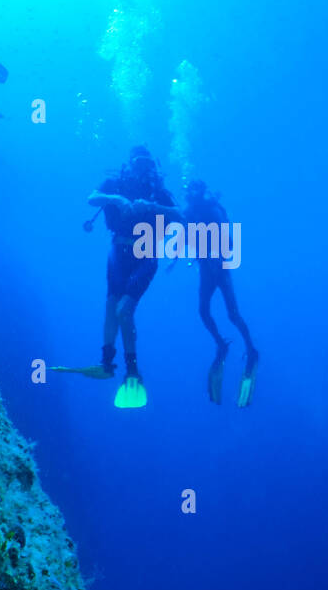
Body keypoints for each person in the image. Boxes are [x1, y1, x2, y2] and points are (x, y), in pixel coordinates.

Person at [53, 146, 178, 408]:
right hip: (117, 251)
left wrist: (152, 205)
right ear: (129, 164)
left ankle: (132, 371)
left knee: (124, 310)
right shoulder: (114, 184)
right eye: (138, 163)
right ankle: (106, 363)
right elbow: (91, 198)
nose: (142, 169)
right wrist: (117, 199)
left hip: (146, 252)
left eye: (147, 163)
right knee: (111, 306)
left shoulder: (158, 191)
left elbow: (180, 216)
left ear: (152, 166)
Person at [183, 179, 259, 406]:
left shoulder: (212, 209)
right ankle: (221, 344)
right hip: (206, 268)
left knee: (233, 314)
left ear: (201, 191)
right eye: (189, 190)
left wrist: (217, 259)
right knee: (203, 312)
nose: (190, 194)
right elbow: (184, 234)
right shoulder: (189, 211)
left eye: (194, 190)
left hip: (220, 267)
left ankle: (251, 350)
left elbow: (226, 239)